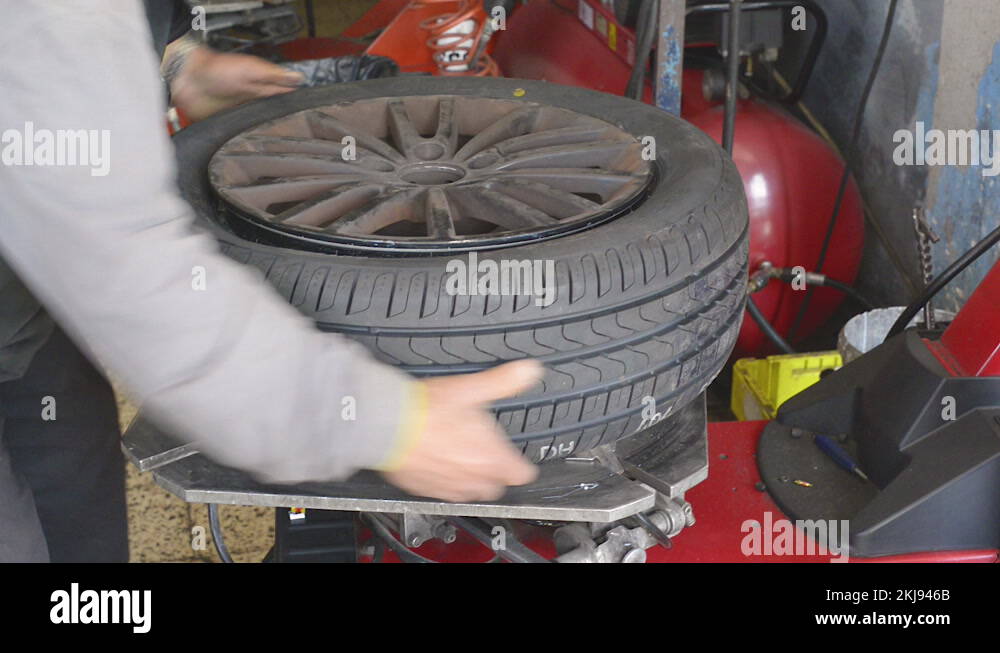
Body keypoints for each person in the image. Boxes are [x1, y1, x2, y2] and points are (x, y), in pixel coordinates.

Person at [0, 1, 539, 563]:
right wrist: (379, 421)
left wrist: (174, 62)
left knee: (77, 525)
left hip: (20, 313)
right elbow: (119, 257)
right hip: (46, 269)